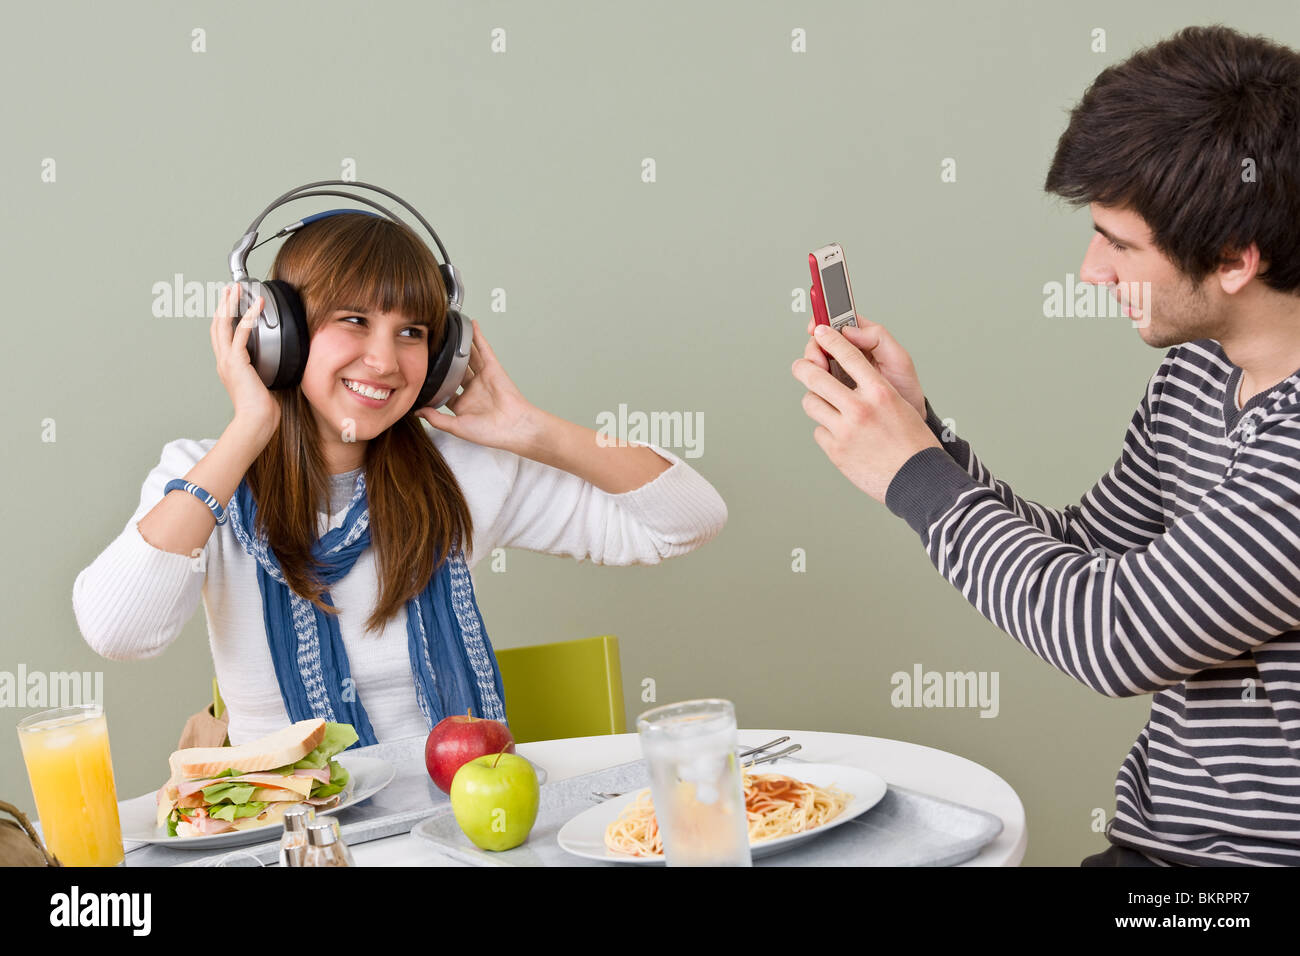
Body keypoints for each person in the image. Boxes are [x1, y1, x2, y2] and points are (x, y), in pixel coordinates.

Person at [791, 25, 1300, 866]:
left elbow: (1115, 632)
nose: (1091, 271)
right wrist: (928, 438)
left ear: (1234, 260)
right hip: (1156, 851)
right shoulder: (1197, 377)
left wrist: (912, 479)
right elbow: (1083, 553)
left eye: (1119, 242)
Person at [73, 210, 727, 748]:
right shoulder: (204, 480)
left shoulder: (461, 475)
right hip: (296, 840)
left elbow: (687, 523)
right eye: (353, 320)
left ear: (441, 357)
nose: (384, 361)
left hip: (456, 832)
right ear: (279, 334)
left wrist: (533, 430)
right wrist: (246, 430)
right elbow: (118, 632)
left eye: (412, 332)